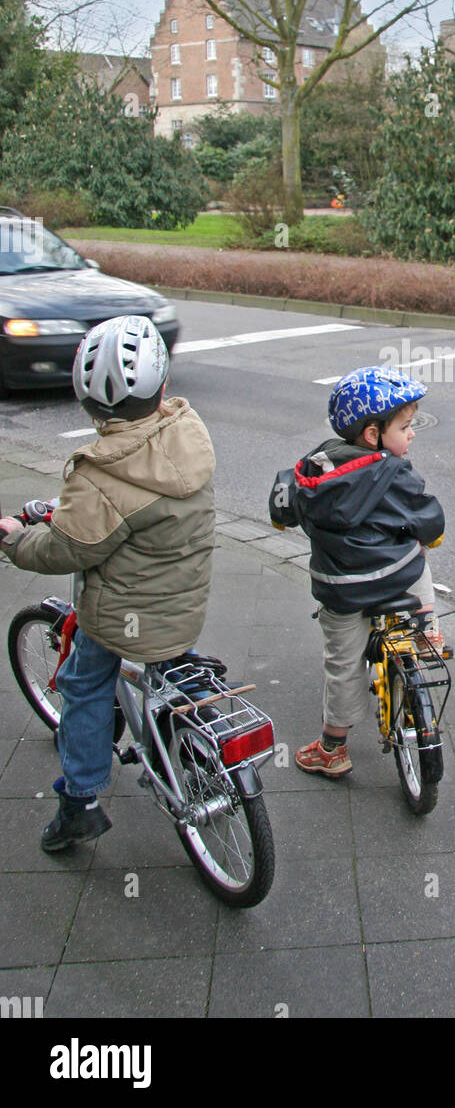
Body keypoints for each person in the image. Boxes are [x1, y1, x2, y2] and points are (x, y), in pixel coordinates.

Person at [0, 315, 216, 852]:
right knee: (171, 661)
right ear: (163, 388)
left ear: (87, 405)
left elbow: (67, 547)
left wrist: (11, 540)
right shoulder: (187, 431)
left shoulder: (99, 476)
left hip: (121, 622)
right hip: (184, 603)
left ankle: (81, 801)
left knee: (82, 685)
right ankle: (196, 739)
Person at [269, 365, 445, 779]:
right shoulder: (397, 473)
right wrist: (432, 535)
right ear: (373, 434)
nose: (412, 434)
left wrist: (282, 519)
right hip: (397, 577)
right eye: (405, 427)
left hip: (343, 589)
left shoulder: (316, 467)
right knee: (416, 551)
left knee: (343, 667)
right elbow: (428, 520)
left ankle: (333, 748)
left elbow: (283, 501)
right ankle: (426, 627)